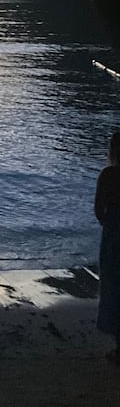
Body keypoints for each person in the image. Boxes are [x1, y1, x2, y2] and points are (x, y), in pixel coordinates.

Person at [95, 131, 120, 362]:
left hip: (113, 234)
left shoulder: (108, 174)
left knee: (113, 285)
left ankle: (118, 345)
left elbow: (98, 209)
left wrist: (108, 223)